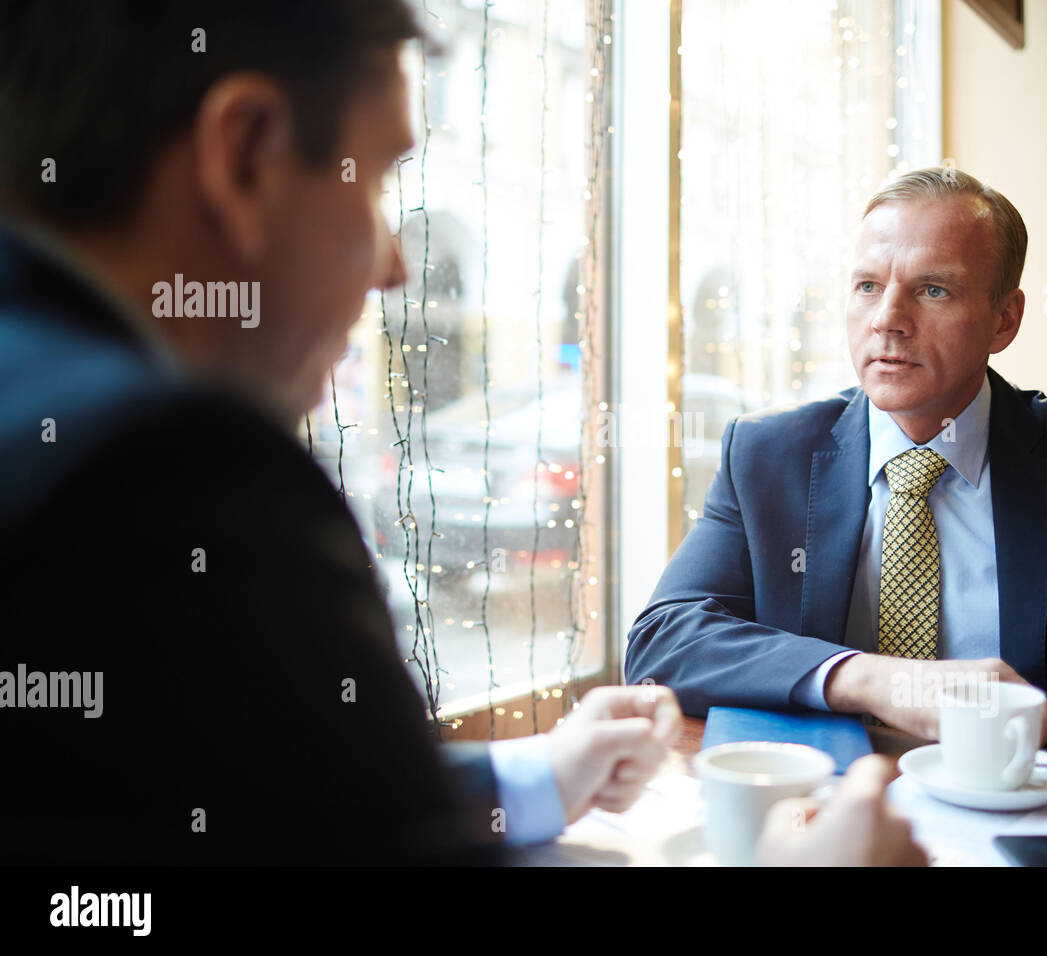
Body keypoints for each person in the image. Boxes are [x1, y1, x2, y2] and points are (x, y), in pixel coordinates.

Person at [0, 0, 693, 865]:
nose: (395, 264)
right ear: (245, 154)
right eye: (377, 178)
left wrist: (541, 774)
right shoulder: (173, 474)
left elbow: (248, 796)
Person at [627, 167, 1047, 814]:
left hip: (1023, 831)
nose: (888, 319)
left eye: (933, 290)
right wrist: (877, 680)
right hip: (828, 826)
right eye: (866, 286)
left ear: (1004, 319)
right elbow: (665, 641)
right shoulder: (771, 454)